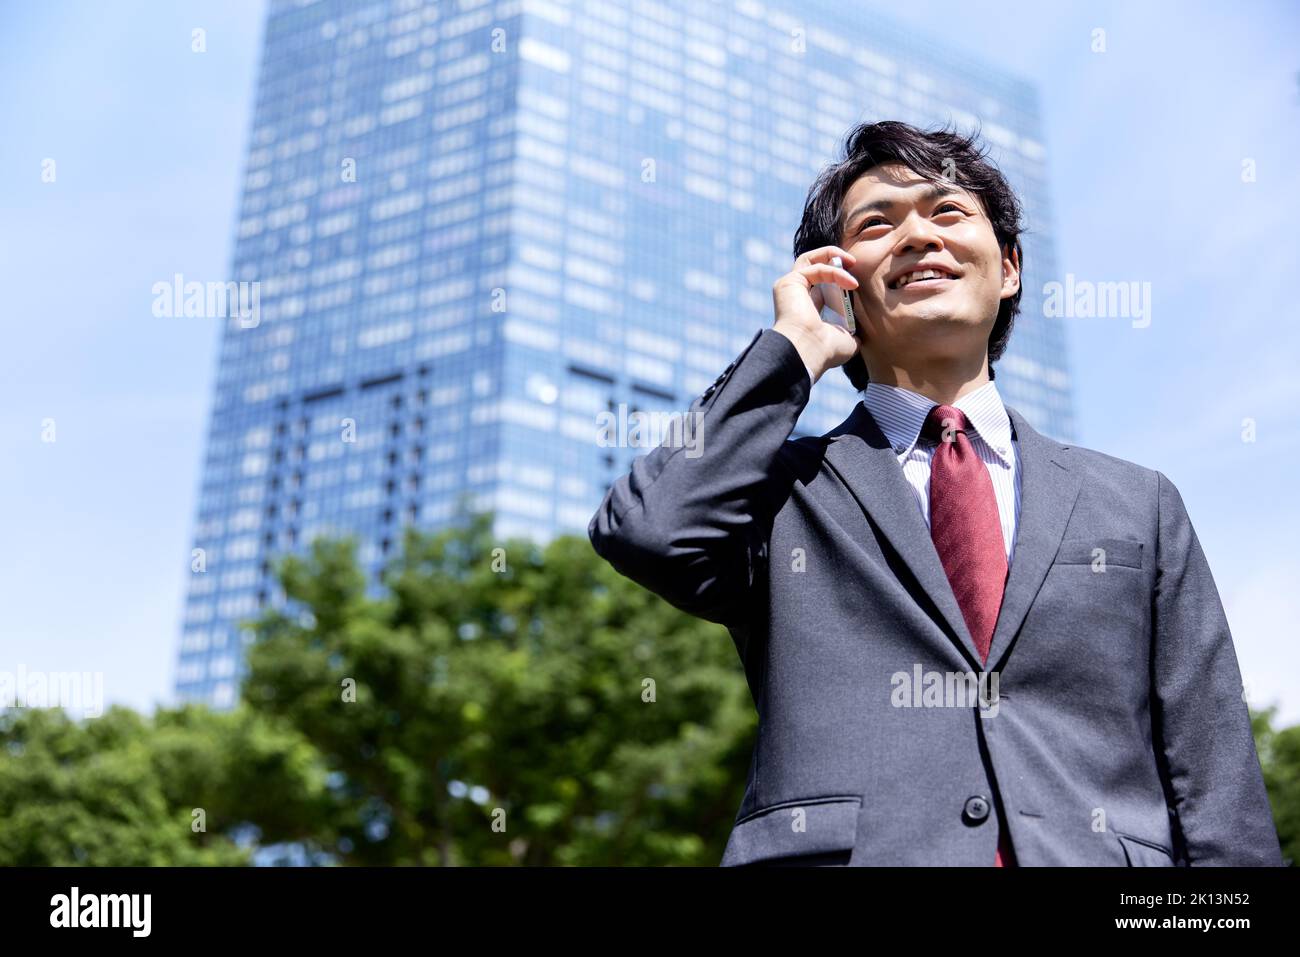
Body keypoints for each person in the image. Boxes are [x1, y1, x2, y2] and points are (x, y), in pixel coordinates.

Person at [587, 120, 1281, 866]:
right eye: (876, 224)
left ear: (1009, 268)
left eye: (947, 211)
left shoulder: (1138, 502)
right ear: (839, 282)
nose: (917, 235)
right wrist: (792, 350)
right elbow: (650, 530)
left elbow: (1217, 789)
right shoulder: (783, 493)